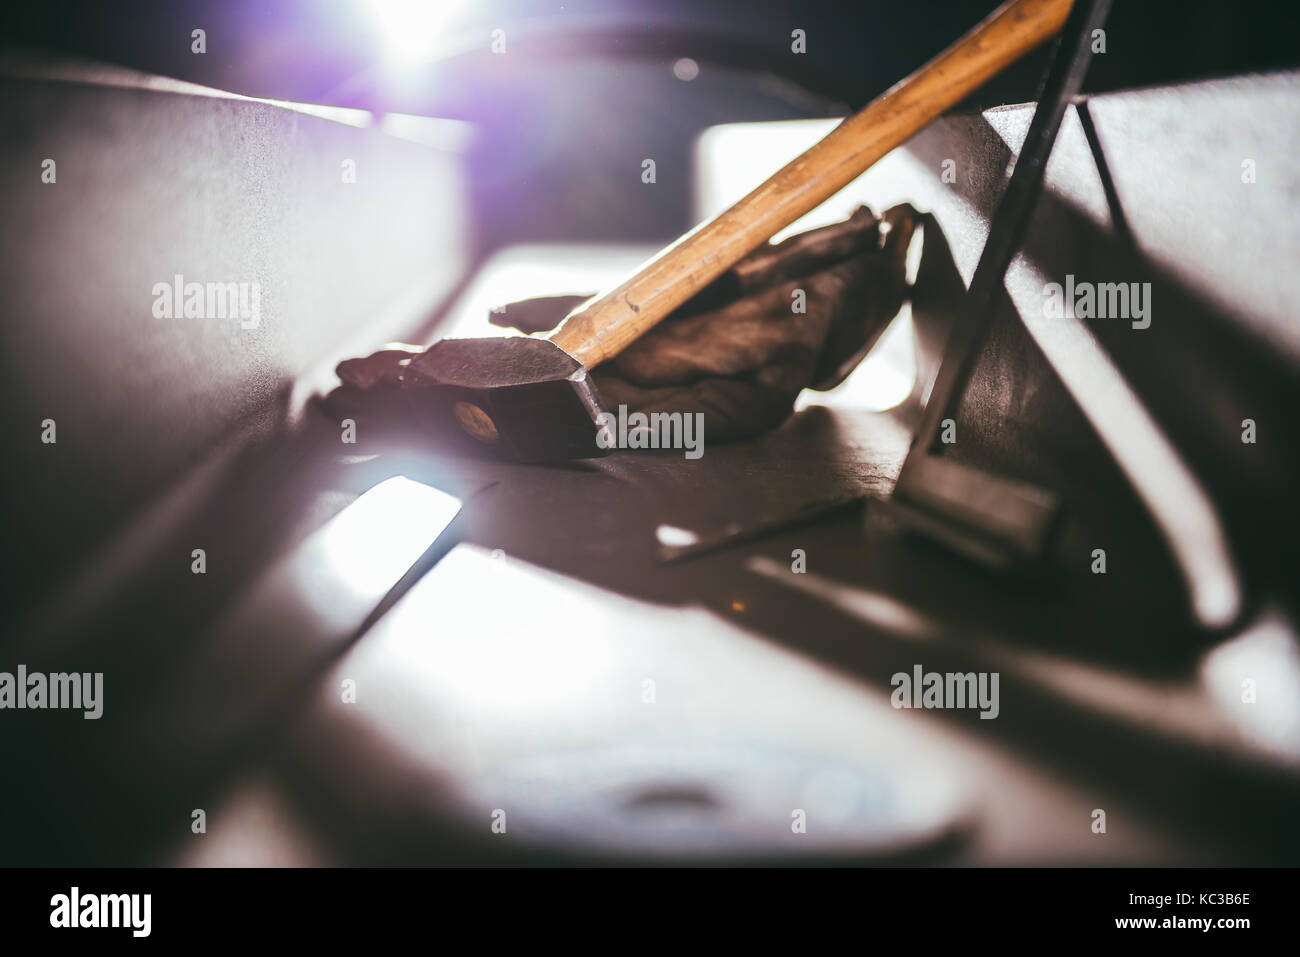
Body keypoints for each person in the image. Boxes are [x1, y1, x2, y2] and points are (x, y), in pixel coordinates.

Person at [332, 203, 917, 443]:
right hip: (715, 352)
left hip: (658, 322)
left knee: (734, 289)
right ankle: (846, 268)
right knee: (754, 314)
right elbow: (724, 408)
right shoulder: (605, 410)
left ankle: (845, 258)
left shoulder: (507, 359)